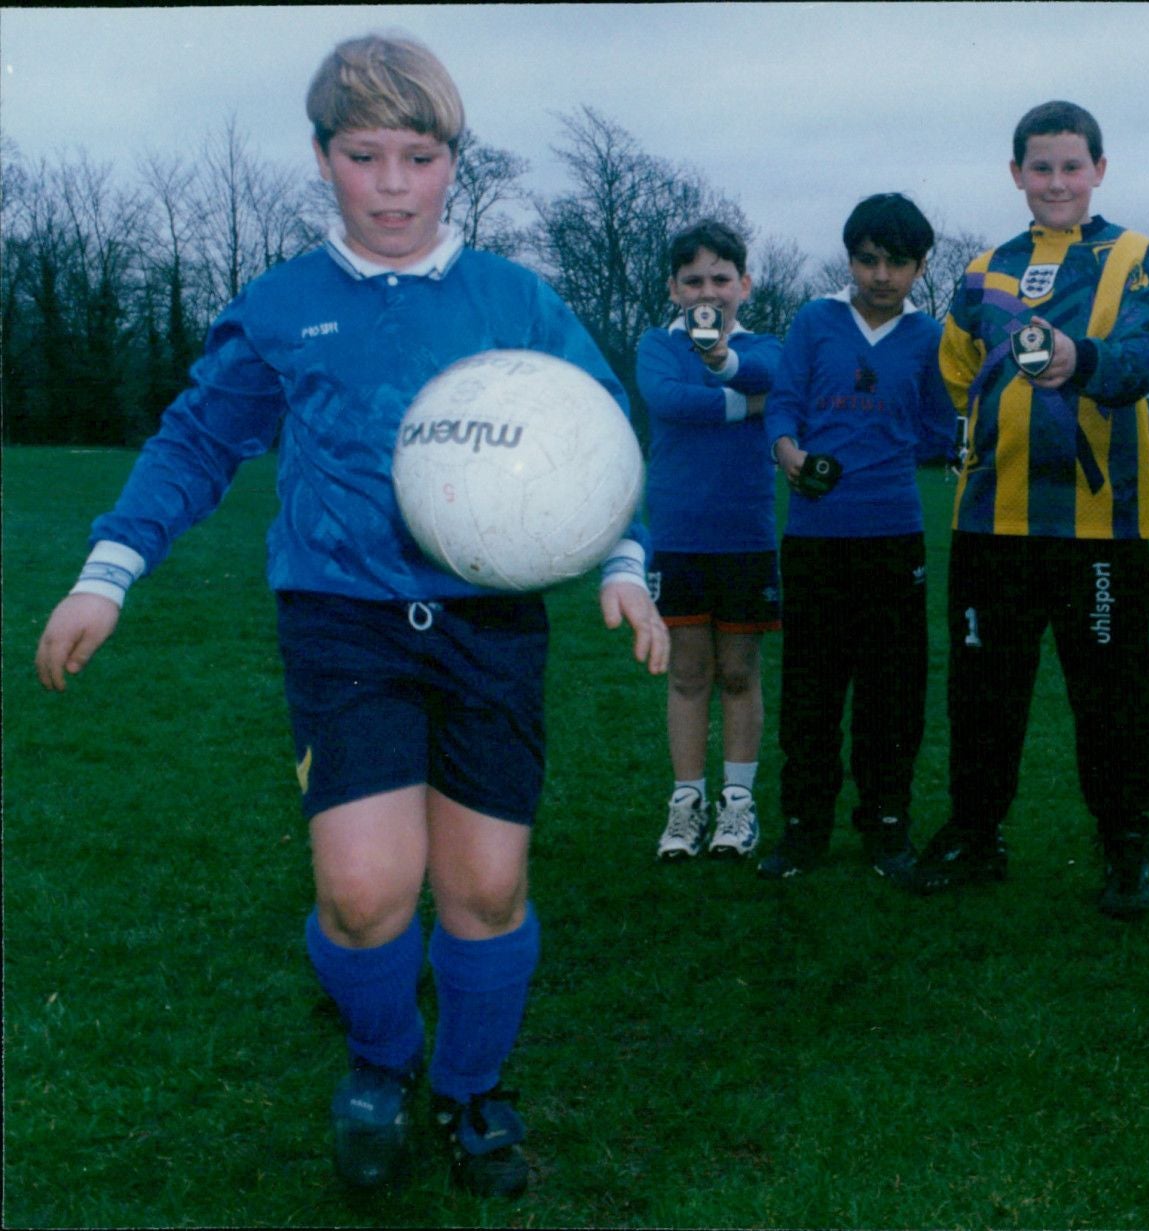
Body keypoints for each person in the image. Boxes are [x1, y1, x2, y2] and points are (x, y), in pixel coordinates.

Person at [32, 34, 667, 1197]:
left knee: (481, 890)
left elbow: (601, 436)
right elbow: (198, 437)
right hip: (344, 623)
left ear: (451, 165)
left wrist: (624, 564)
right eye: (363, 154)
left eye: (417, 157)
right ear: (320, 158)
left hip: (488, 626)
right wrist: (106, 573)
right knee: (366, 892)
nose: (390, 183)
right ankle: (381, 1056)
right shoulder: (282, 304)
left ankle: (473, 1090)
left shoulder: (515, 299)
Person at [909, 100, 1149, 919]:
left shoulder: (1133, 255)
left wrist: (1077, 358)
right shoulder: (984, 267)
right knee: (984, 692)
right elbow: (954, 368)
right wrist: (1000, 421)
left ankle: (1125, 843)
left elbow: (1145, 358)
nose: (1056, 181)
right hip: (991, 522)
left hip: (1101, 527)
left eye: (1071, 165)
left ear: (1099, 168)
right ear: (1016, 173)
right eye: (1040, 166)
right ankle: (976, 832)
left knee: (1111, 695)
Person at [757, 193, 955, 880]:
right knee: (811, 689)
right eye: (868, 260)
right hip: (814, 536)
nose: (881, 275)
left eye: (897, 262)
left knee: (892, 693)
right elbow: (783, 405)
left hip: (893, 534)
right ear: (850, 260)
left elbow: (939, 426)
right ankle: (804, 828)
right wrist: (790, 455)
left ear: (920, 267)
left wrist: (891, 452)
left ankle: (887, 828)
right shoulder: (815, 320)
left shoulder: (930, 337)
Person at [636, 220, 782, 862]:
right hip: (678, 534)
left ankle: (738, 806)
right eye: (693, 279)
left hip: (745, 536)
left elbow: (769, 379)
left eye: (721, 278)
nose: (708, 290)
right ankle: (686, 804)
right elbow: (669, 401)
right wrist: (747, 405)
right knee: (690, 673)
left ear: (744, 284)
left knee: (738, 672)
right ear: (673, 288)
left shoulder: (767, 344)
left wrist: (727, 365)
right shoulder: (656, 344)